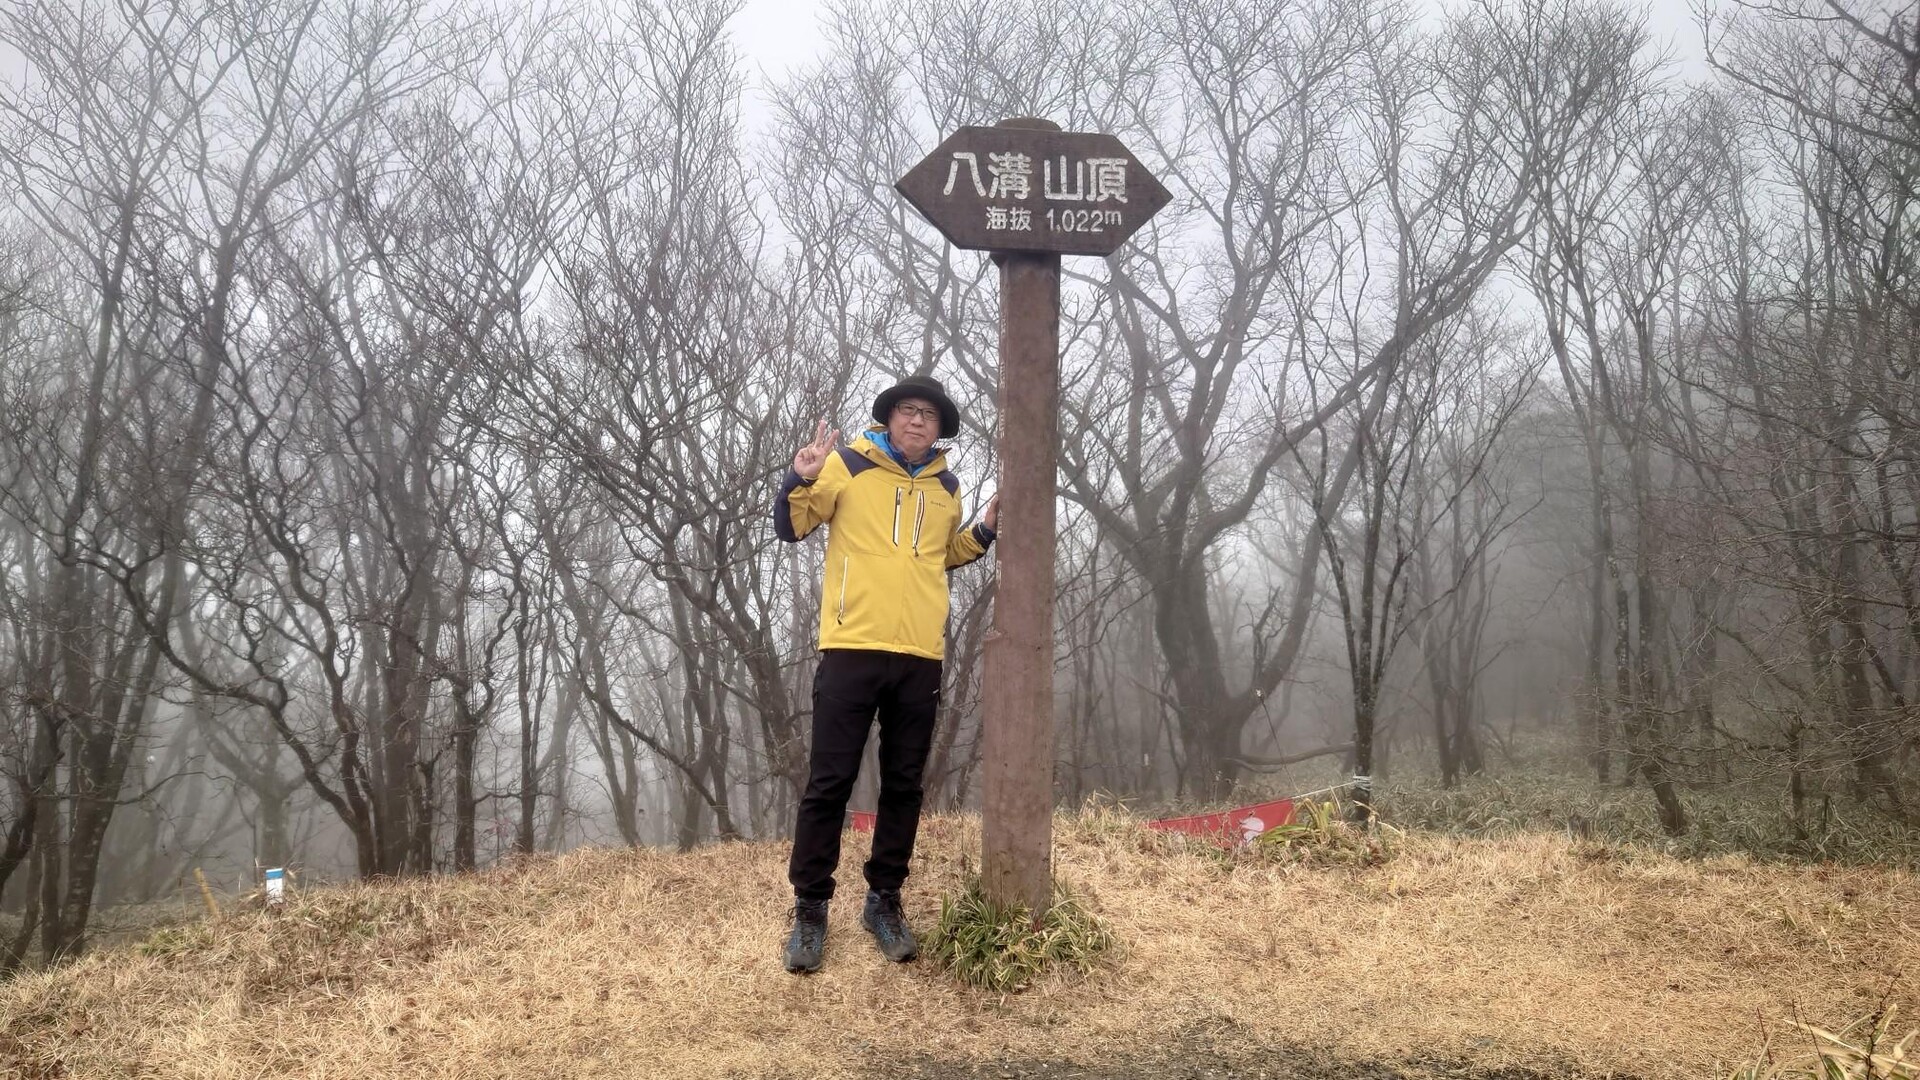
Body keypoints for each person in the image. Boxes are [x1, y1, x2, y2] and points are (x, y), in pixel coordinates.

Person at [772, 374, 998, 973]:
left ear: (939, 427)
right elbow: (793, 527)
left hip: (920, 655)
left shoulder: (947, 486)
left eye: (928, 413)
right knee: (830, 784)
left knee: (904, 786)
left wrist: (986, 528)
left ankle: (883, 900)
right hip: (851, 647)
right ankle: (810, 909)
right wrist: (801, 476)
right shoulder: (848, 465)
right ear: (890, 418)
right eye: (906, 410)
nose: (917, 420)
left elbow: (942, 554)